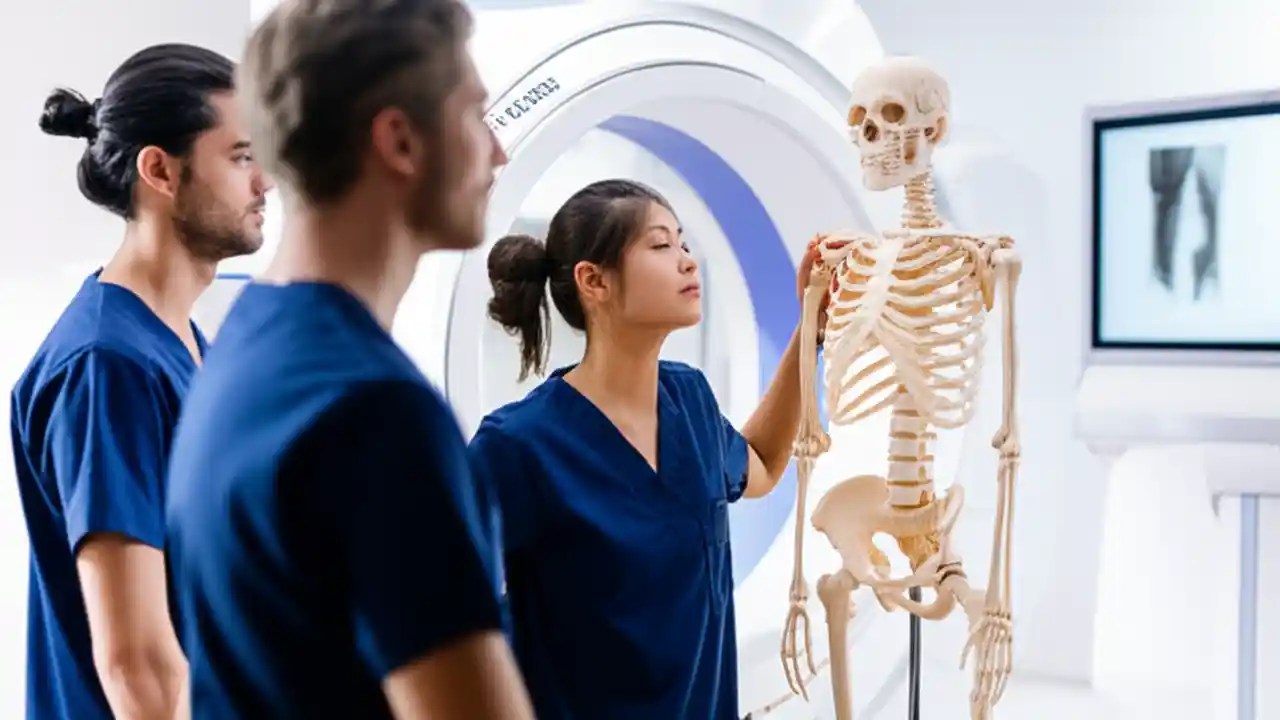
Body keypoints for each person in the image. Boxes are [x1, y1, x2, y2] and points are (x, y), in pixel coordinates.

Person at [162, 1, 533, 718]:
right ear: (399, 140)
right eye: (473, 115)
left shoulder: (244, 348)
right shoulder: (377, 413)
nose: (497, 152)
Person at [470, 178, 823, 719]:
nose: (687, 260)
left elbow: (763, 465)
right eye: (661, 245)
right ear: (594, 281)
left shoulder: (691, 400)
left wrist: (810, 329)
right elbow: (437, 614)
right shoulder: (518, 447)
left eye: (683, 242)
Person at [10, 43, 270, 720]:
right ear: (160, 170)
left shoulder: (183, 344)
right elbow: (138, 668)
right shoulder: (107, 365)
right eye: (241, 157)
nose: (266, 181)